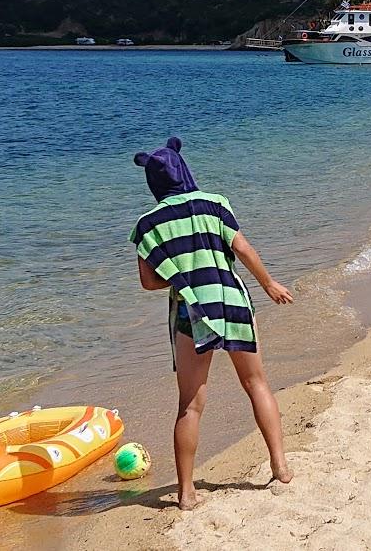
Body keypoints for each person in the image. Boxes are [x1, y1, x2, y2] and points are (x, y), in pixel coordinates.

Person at [130, 138, 294, 509]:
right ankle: (280, 466)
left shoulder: (147, 225)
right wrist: (269, 283)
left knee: (190, 405)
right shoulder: (215, 203)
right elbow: (242, 249)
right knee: (256, 383)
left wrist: (186, 276)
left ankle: (186, 493)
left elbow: (149, 282)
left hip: (191, 312)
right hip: (232, 300)